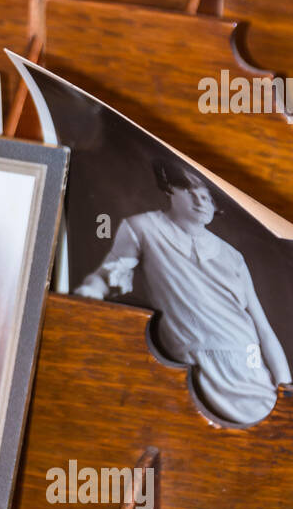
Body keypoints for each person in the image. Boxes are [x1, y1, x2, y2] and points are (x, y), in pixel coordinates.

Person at [74, 160, 290, 425]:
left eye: (208, 195)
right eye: (190, 190)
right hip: (198, 371)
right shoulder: (143, 228)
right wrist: (89, 293)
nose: (201, 200)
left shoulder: (233, 256)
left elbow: (263, 329)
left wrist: (286, 392)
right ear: (169, 187)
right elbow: (108, 275)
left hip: (253, 374)